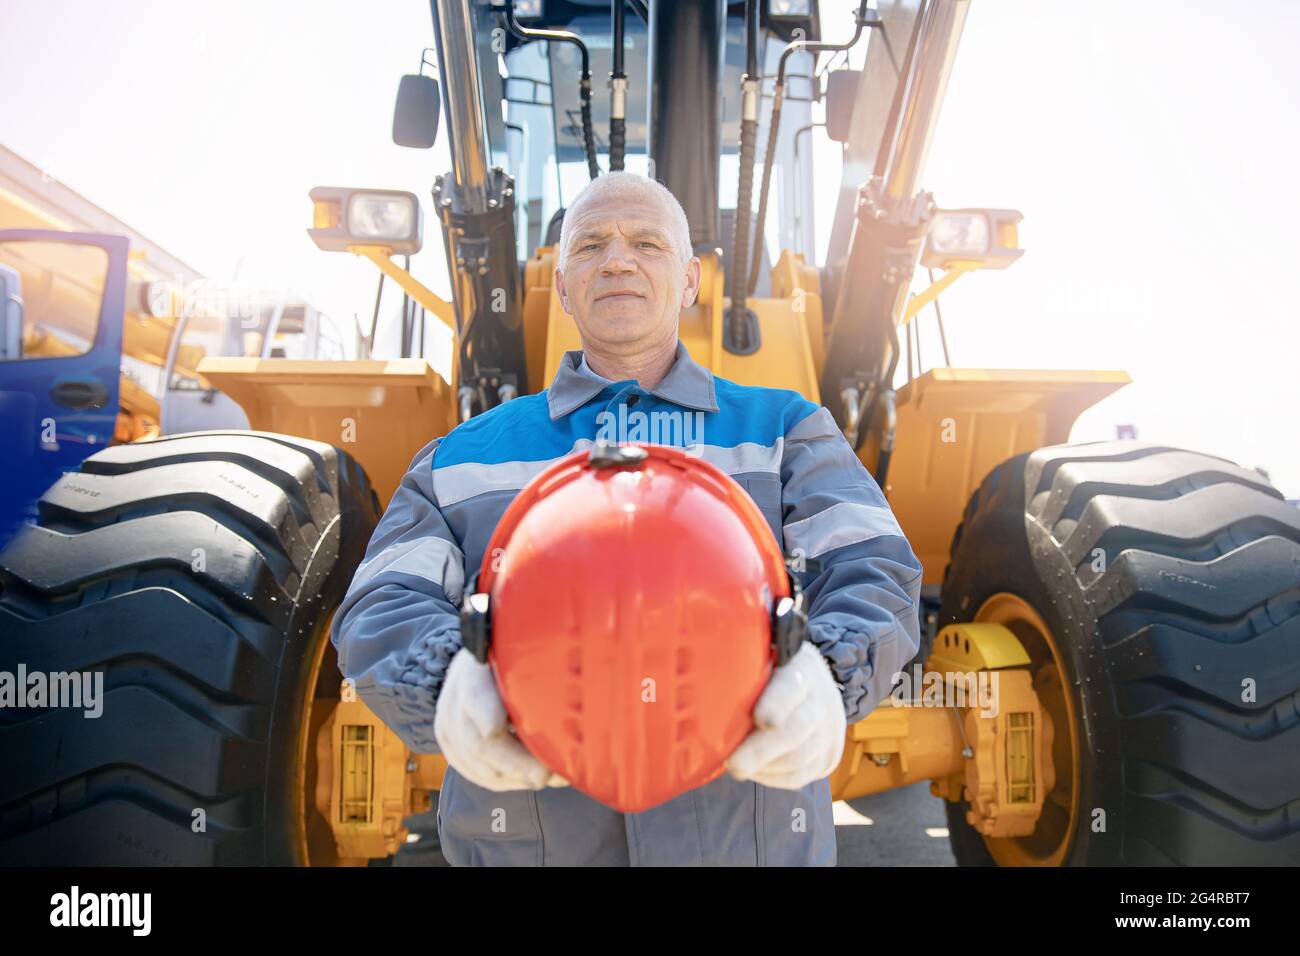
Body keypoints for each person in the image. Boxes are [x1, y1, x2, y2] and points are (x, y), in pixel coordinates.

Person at [330, 171, 924, 866]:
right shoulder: (459, 457)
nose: (617, 260)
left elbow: (872, 567)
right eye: (590, 245)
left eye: (646, 242)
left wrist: (829, 669)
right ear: (560, 282)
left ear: (690, 280)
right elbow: (381, 602)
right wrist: (442, 679)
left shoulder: (788, 431)